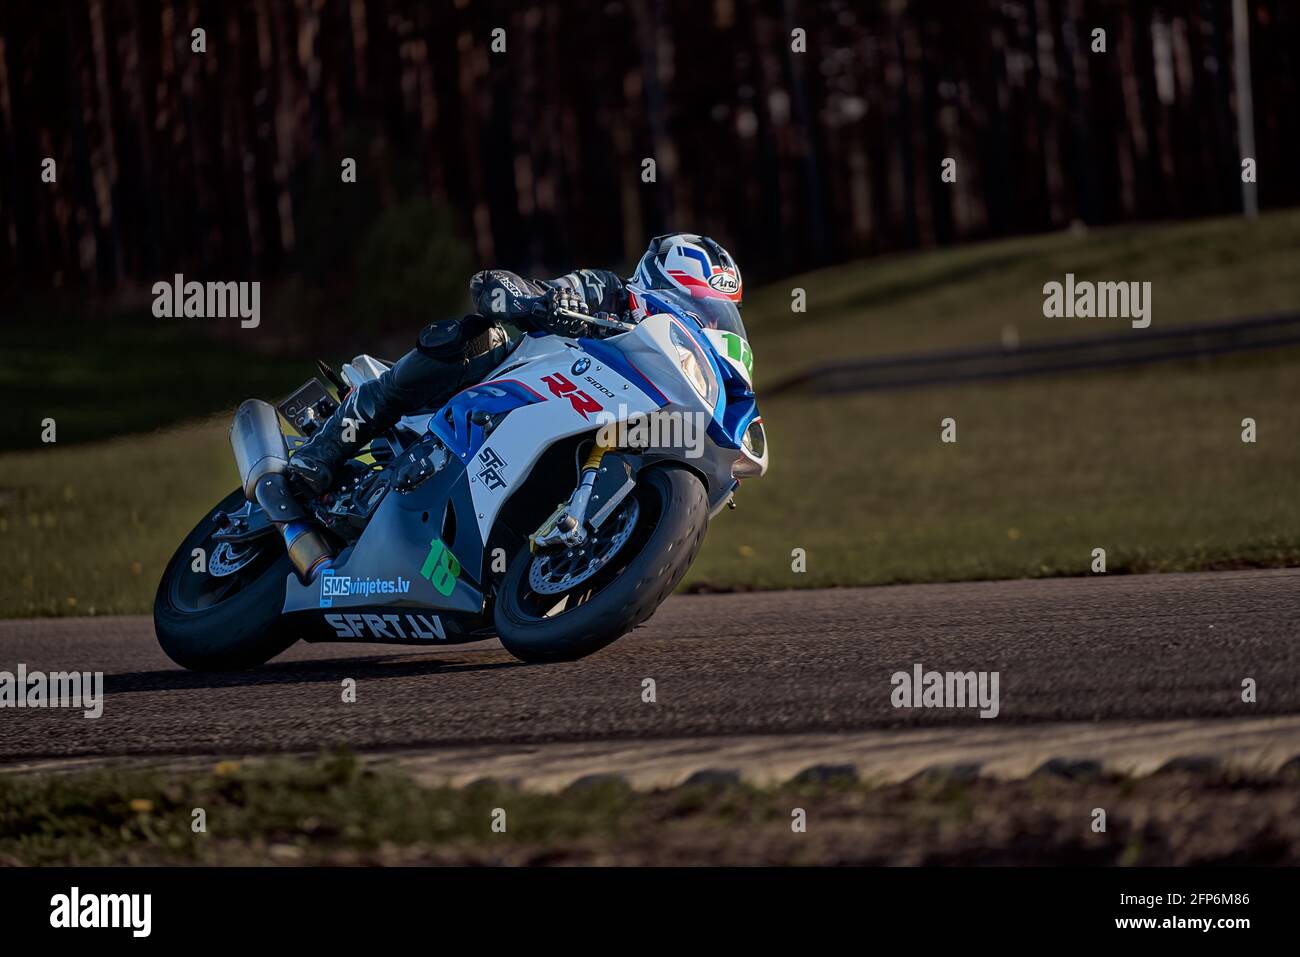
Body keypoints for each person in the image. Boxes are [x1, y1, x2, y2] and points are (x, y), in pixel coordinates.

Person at [288, 232, 743, 494]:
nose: (702, 320)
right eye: (696, 303)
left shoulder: (678, 367)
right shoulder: (612, 293)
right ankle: (328, 445)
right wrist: (537, 300)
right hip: (523, 380)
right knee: (474, 337)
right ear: (661, 282)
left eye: (716, 314)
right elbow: (524, 288)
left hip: (593, 417)